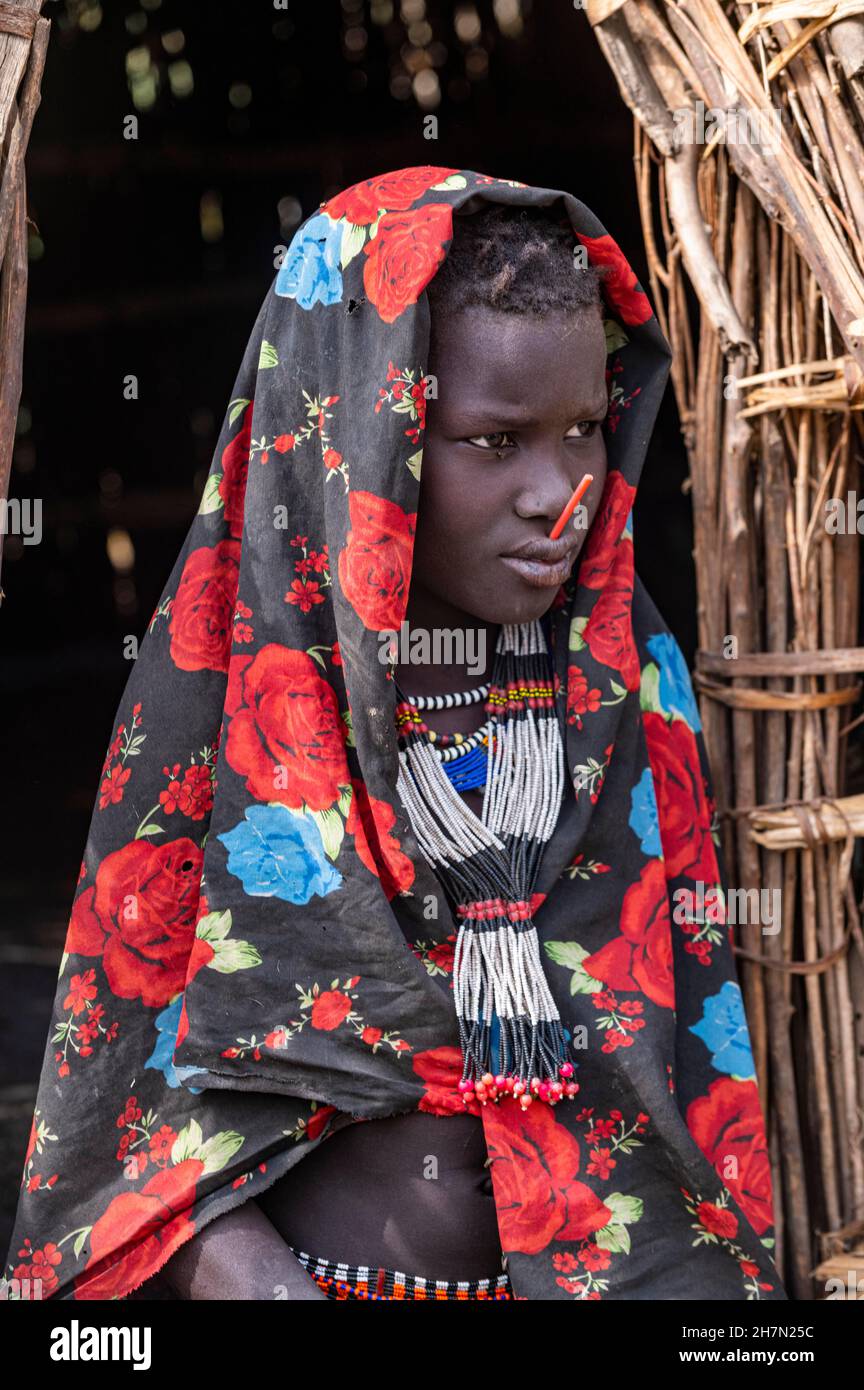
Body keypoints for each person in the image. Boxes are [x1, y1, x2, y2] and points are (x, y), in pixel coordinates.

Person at [3, 167, 789, 1303]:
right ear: (367, 435)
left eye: (581, 431)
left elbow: (688, 1066)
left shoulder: (626, 686)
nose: (557, 493)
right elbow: (122, 1113)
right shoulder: (225, 707)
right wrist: (258, 1280)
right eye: (494, 441)